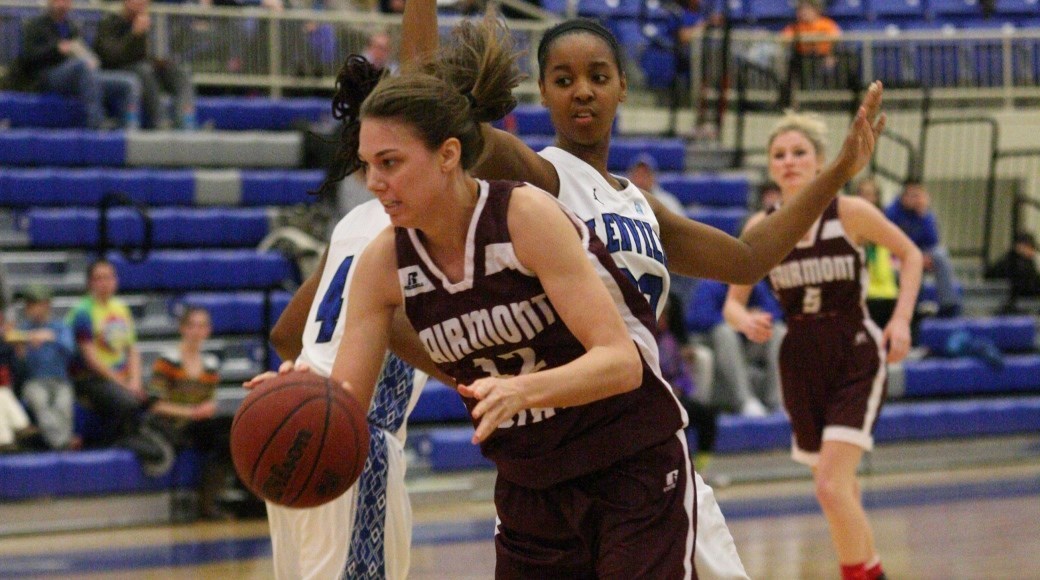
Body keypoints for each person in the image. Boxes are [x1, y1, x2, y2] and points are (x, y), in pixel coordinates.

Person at [398, 4, 885, 576]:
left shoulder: (638, 204)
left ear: (623, 88)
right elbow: (429, 104)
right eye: (564, 79)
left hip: (638, 439)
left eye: (598, 77)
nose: (582, 91)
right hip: (553, 451)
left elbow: (748, 259)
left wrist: (839, 170)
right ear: (543, 92)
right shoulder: (534, 175)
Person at [325, 22, 703, 575]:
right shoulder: (382, 263)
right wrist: (298, 402)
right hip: (530, 481)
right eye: (367, 165)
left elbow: (621, 363)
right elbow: (345, 402)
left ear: (449, 154)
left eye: (390, 163)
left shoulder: (522, 215)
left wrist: (521, 390)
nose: (373, 182)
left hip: (630, 460)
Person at [723, 111, 923, 580]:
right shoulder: (762, 225)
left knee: (831, 487)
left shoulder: (848, 211)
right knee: (839, 487)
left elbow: (911, 255)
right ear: (770, 167)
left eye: (800, 153)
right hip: (799, 356)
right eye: (779, 155)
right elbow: (732, 302)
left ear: (819, 163)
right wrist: (744, 317)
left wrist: (901, 320)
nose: (789, 161)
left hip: (852, 346)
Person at [144, 307, 232, 519]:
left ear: (208, 331)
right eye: (192, 325)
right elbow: (155, 404)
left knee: (231, 432)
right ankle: (206, 505)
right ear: (183, 329)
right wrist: (191, 412)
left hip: (198, 425)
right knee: (223, 435)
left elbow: (210, 401)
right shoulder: (168, 359)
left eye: (202, 326)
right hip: (172, 425)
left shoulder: (210, 364)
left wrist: (208, 408)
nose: (196, 330)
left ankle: (211, 501)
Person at [11, 0, 141, 130]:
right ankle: (96, 125)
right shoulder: (35, 25)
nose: (63, 4)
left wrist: (90, 60)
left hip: (79, 75)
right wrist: (57, 50)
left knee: (129, 82)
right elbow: (28, 57)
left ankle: (130, 131)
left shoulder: (71, 27)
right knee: (82, 67)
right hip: (47, 76)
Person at [66, 259, 144, 446]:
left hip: (120, 378)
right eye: (99, 278)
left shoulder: (121, 308)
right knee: (127, 403)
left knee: (151, 400)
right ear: (90, 283)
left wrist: (135, 380)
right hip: (90, 378)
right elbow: (91, 359)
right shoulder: (82, 312)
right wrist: (124, 384)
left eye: (108, 277)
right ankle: (110, 445)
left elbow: (132, 349)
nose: (105, 282)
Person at [687, 279, 783, 417]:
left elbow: (778, 314)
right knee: (724, 331)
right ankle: (745, 401)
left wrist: (758, 319)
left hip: (748, 344)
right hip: (717, 346)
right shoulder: (711, 284)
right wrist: (741, 320)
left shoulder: (754, 283)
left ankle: (777, 400)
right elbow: (696, 319)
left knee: (778, 330)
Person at [95, 0, 196, 130]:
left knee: (181, 73)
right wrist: (134, 34)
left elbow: (154, 53)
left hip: (147, 68)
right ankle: (161, 123)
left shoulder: (151, 22)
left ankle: (186, 124)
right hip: (119, 69)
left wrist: (162, 61)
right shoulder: (109, 23)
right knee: (144, 70)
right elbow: (112, 57)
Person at [659, 292, 720, 475]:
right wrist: (668, 389)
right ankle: (678, 468)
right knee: (675, 419)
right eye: (661, 315)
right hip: (657, 397)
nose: (664, 319)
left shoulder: (670, 340)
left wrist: (681, 387)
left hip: (676, 395)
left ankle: (700, 468)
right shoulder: (645, 342)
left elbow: (681, 373)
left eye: (666, 315)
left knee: (706, 415)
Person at [13, 284, 78, 451]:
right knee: (40, 401)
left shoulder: (60, 327)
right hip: (34, 382)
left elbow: (70, 350)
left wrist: (50, 337)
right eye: (28, 304)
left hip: (60, 381)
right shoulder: (22, 331)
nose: (29, 308)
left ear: (46, 304)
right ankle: (62, 444)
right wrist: (21, 351)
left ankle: (59, 442)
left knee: (63, 403)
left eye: (33, 303)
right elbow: (19, 369)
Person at [885, 179, 963, 318]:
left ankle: (949, 305)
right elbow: (886, 242)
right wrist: (910, 257)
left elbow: (933, 241)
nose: (915, 199)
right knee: (900, 268)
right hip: (897, 257)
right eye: (912, 195)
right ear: (904, 196)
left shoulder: (924, 215)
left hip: (919, 255)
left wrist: (924, 215)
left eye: (918, 195)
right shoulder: (891, 213)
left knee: (940, 254)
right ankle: (909, 309)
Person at [855, 177, 901, 328]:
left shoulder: (885, 222)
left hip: (887, 293)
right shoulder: (850, 222)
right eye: (863, 194)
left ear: (876, 197)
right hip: (863, 294)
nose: (867, 198)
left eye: (870, 194)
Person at [985, 231, 1040, 307]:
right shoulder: (1011, 263)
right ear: (1020, 247)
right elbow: (1023, 285)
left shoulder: (1027, 263)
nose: (1032, 252)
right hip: (1011, 304)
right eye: (1029, 248)